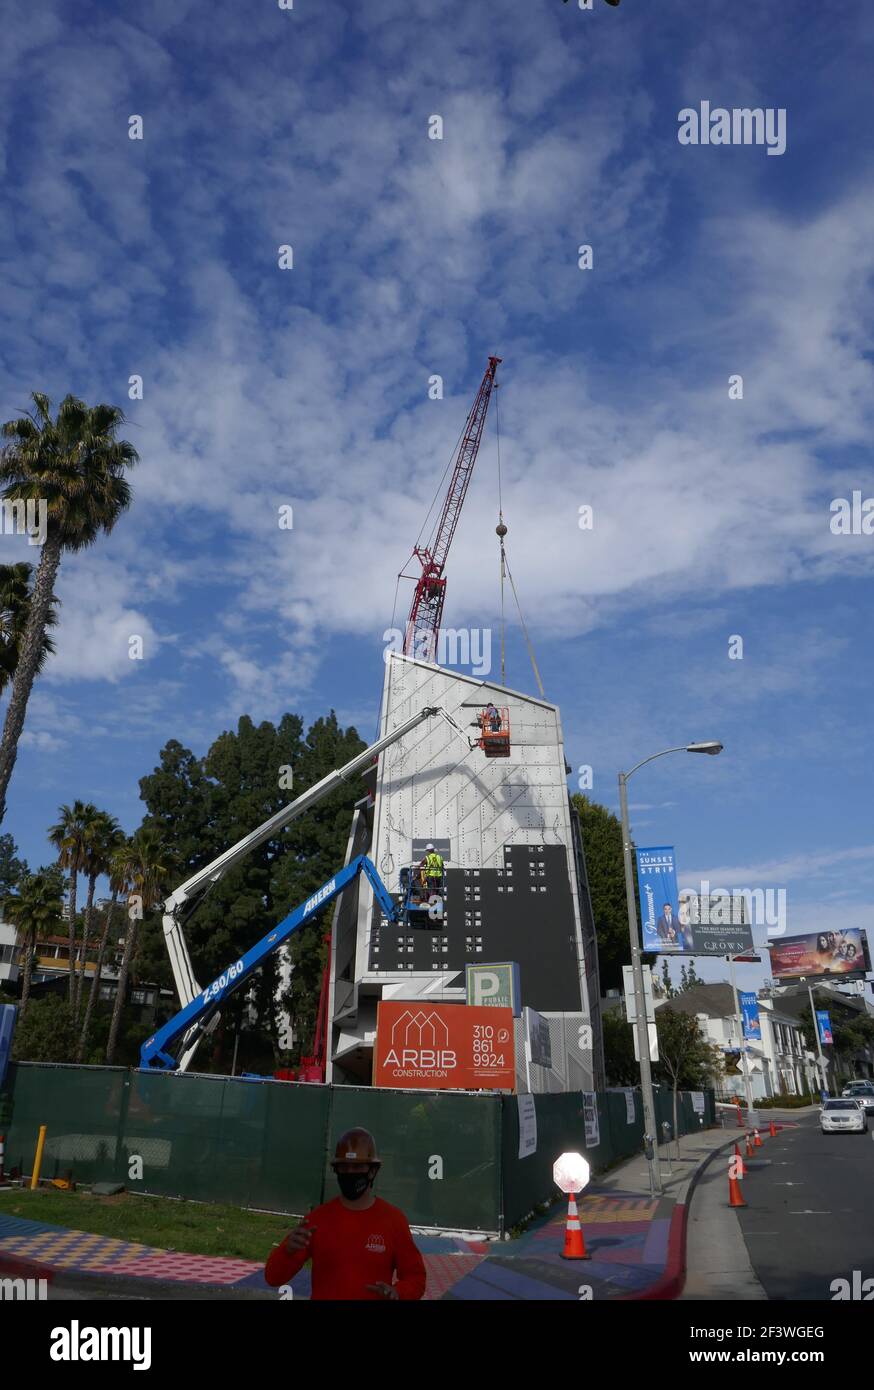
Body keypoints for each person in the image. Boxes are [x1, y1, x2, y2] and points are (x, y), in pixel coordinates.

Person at [264, 1127, 426, 1301]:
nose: (350, 1173)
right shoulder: (317, 1220)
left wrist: (399, 1293)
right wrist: (287, 1252)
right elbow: (273, 1278)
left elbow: (415, 1277)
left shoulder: (393, 1220)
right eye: (344, 1167)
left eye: (357, 1167)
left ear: (373, 1171)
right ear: (336, 1170)